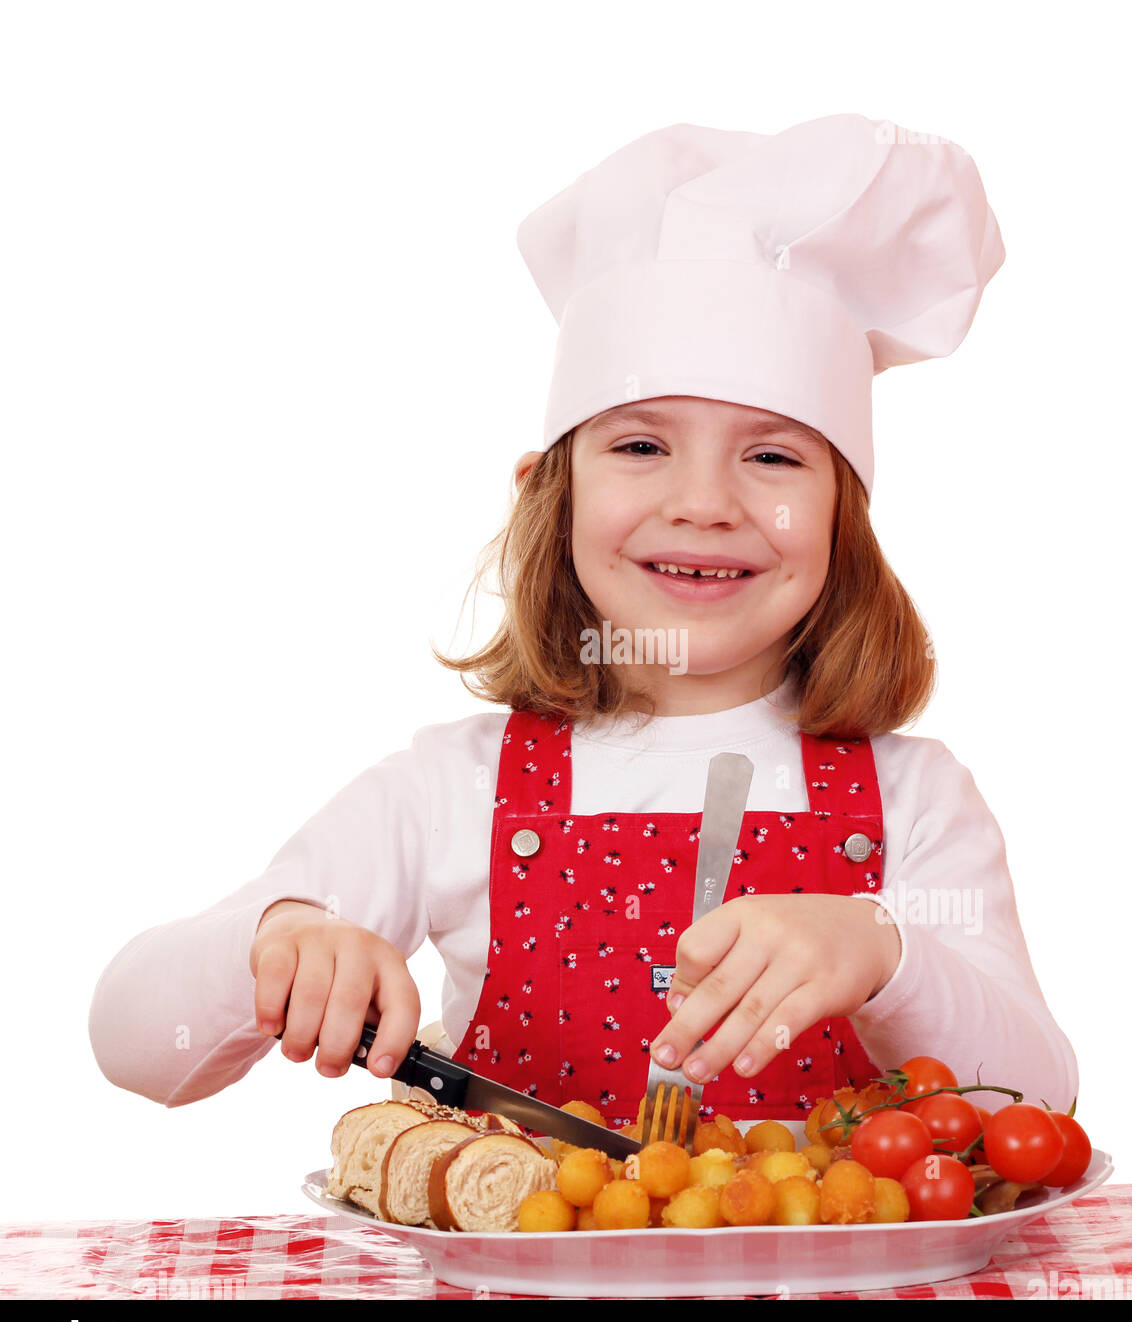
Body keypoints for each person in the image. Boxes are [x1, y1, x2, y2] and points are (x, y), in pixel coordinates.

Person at [89, 114, 1078, 1128]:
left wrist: (886, 952)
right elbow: (133, 1042)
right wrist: (278, 936)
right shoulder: (450, 791)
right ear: (545, 497)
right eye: (641, 446)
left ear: (842, 519)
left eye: (773, 456)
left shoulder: (915, 799)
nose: (704, 503)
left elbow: (1040, 1102)